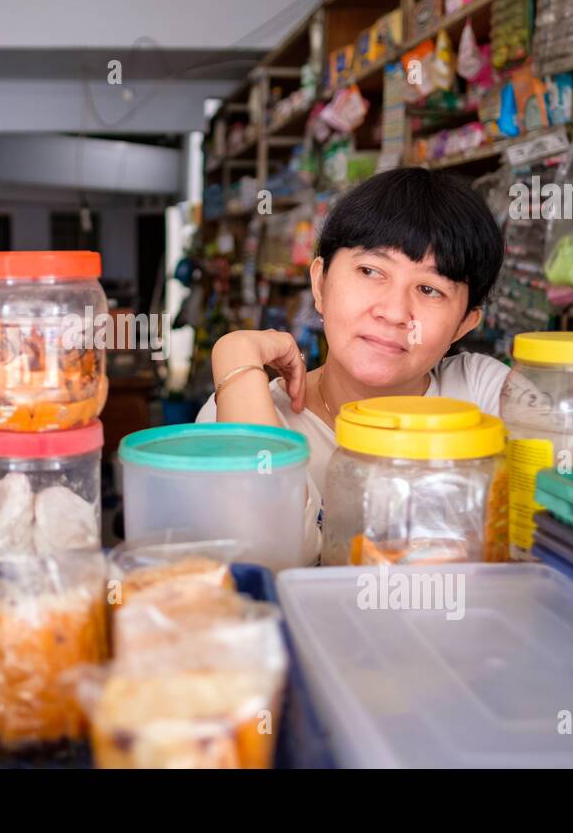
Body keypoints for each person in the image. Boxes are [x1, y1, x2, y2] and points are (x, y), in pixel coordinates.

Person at [196, 167, 510, 550]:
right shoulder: (242, 406)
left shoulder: (484, 397)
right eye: (370, 271)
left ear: (464, 323)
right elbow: (268, 557)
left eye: (429, 289)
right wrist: (234, 353)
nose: (394, 312)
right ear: (320, 283)